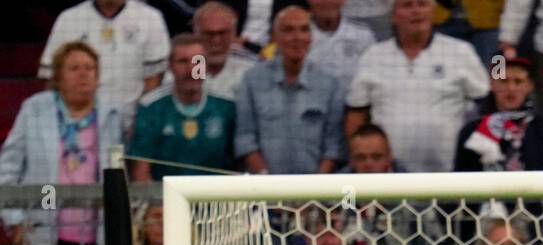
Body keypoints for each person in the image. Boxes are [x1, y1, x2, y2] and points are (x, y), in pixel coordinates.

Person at [0, 42, 124, 245]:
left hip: (94, 233)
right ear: (57, 76)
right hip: (41, 231)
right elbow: (7, 169)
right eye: (74, 68)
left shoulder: (112, 113)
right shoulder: (34, 109)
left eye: (89, 68)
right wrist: (14, 219)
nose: (83, 74)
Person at [346, 0, 489, 172]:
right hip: (388, 178)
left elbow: (488, 106)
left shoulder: (460, 51)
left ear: (433, 9)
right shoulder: (374, 56)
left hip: (449, 175)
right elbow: (356, 113)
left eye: (422, 4)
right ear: (393, 15)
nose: (416, 11)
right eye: (407, 5)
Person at [236, 6, 347, 175]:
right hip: (265, 192)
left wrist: (315, 189)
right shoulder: (252, 80)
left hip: (315, 194)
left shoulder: (329, 84)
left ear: (311, 37)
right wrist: (267, 184)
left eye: (304, 30)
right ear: (274, 37)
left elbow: (333, 147)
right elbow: (245, 140)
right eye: (288, 30)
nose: (297, 37)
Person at [38, 0, 168, 127]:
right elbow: (52, 78)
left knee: (116, 149)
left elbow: (153, 81)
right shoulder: (69, 18)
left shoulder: (150, 18)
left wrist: (140, 122)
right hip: (78, 124)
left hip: (130, 122)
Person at [129, 35, 238, 180]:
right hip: (165, 198)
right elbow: (141, 171)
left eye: (197, 61)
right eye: (183, 61)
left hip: (217, 197)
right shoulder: (152, 106)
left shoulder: (226, 105)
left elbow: (239, 164)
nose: (191, 69)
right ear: (170, 66)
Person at [453, 56, 543, 172]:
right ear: (492, 84)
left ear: (529, 86)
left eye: (518, 81)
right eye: (504, 81)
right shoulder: (471, 131)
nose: (511, 88)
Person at [304, 0, 377, 93]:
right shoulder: (295, 35)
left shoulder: (363, 36)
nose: (327, 2)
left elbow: (373, 79)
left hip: (354, 103)